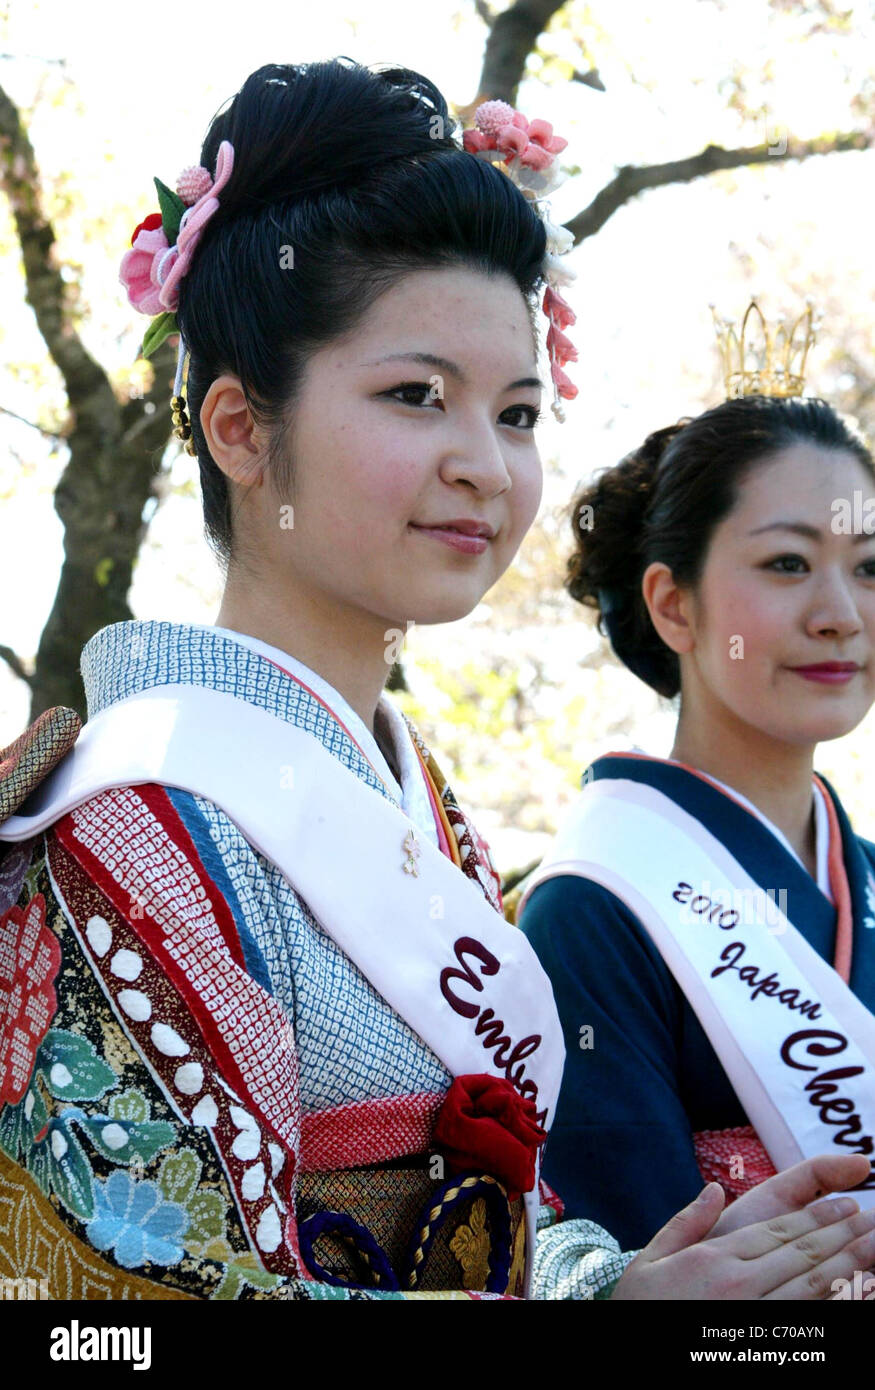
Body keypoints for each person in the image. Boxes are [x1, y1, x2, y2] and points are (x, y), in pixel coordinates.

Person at [1, 64, 873, 1302]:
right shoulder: (133, 819)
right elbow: (113, 1311)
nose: (482, 463)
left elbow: (515, 1213)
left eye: (515, 415)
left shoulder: (415, 802)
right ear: (240, 429)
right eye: (416, 396)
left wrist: (615, 1285)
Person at [515, 338, 875, 1261]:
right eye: (788, 564)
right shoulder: (592, 906)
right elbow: (648, 1261)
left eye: (868, 566)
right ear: (674, 606)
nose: (840, 611)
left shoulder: (863, 876)